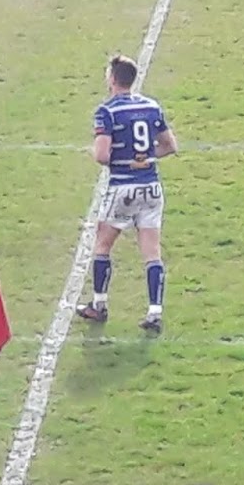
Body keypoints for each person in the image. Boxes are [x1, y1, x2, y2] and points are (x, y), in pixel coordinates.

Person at [76, 55, 178, 333]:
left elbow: (101, 155)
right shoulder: (151, 106)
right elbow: (170, 146)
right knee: (152, 252)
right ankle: (155, 311)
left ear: (112, 79)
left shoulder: (107, 112)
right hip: (152, 187)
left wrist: (126, 159)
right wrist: (144, 157)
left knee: (103, 245)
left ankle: (98, 304)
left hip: (123, 187)